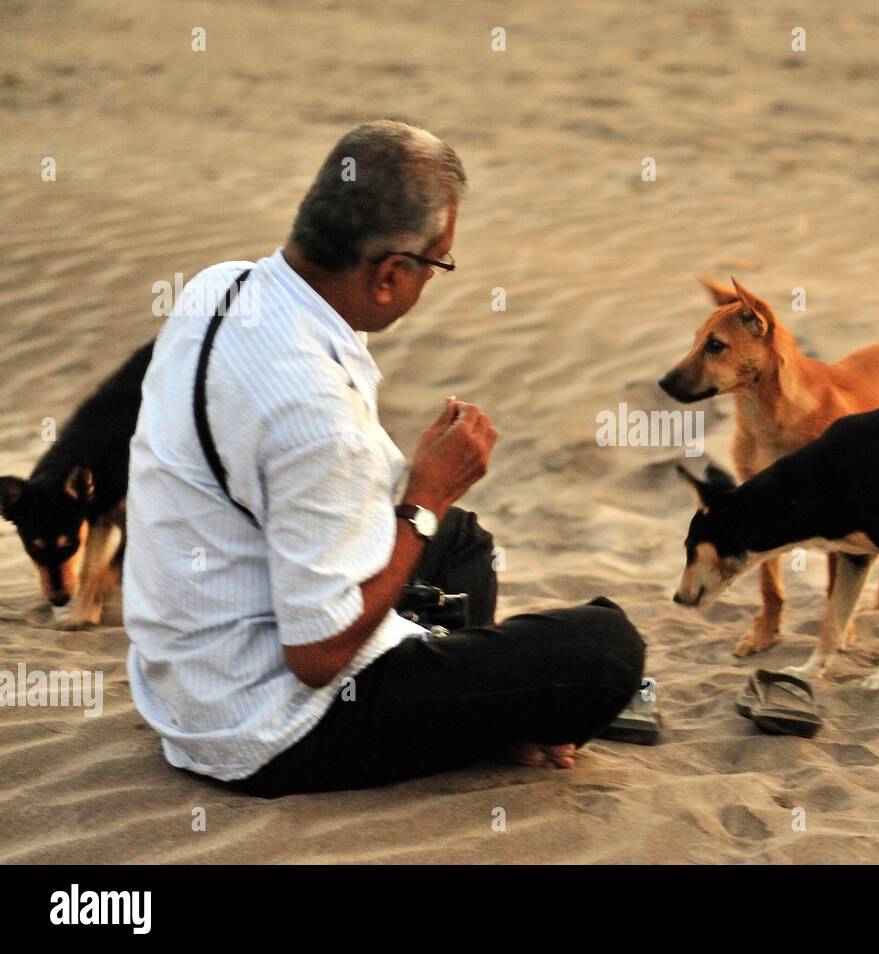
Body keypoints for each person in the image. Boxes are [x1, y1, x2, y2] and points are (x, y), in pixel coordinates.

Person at [123, 120, 645, 797]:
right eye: (437, 264)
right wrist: (427, 495)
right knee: (606, 653)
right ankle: (486, 716)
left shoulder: (220, 287)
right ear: (391, 274)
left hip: (188, 671)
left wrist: (432, 514)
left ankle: (479, 706)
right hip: (272, 730)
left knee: (464, 546)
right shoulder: (313, 413)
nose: (433, 279)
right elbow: (318, 656)